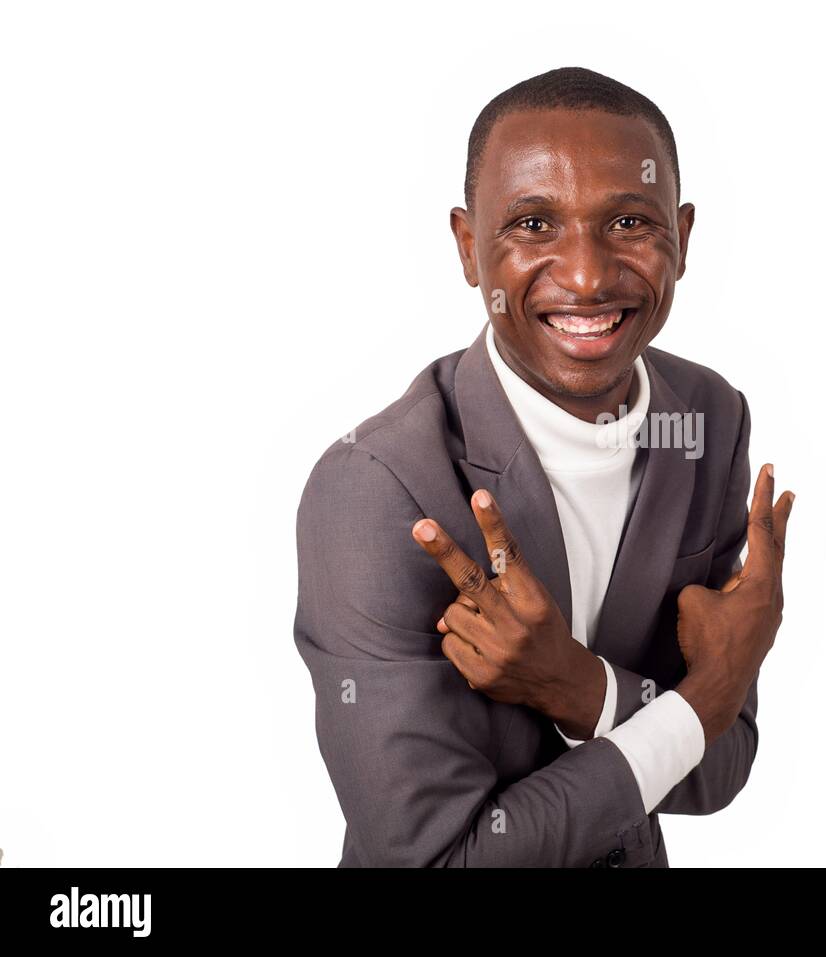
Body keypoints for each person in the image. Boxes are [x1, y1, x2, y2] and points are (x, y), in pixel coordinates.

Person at [293, 66, 794, 867]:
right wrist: (701, 695)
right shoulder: (373, 486)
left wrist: (577, 686)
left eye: (629, 221)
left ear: (684, 237)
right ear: (468, 247)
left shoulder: (706, 417)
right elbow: (432, 860)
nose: (588, 276)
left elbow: (719, 770)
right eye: (532, 223)